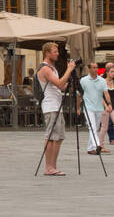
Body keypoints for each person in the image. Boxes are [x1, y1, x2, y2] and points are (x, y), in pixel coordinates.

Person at [37, 42, 76, 175]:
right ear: (47, 53)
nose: (57, 53)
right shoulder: (45, 68)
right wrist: (69, 70)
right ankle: (49, 167)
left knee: (59, 137)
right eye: (55, 51)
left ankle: (53, 166)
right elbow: (59, 84)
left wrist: (69, 82)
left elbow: (60, 86)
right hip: (50, 106)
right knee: (51, 136)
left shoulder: (53, 68)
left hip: (56, 105)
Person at [78, 62, 111, 155]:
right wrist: (78, 108)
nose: (96, 69)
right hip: (88, 108)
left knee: (95, 128)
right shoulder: (83, 80)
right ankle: (97, 144)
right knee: (92, 127)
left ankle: (90, 148)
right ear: (89, 69)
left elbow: (106, 93)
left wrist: (109, 104)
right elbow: (79, 95)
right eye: (93, 67)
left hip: (99, 108)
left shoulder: (102, 81)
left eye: (97, 67)